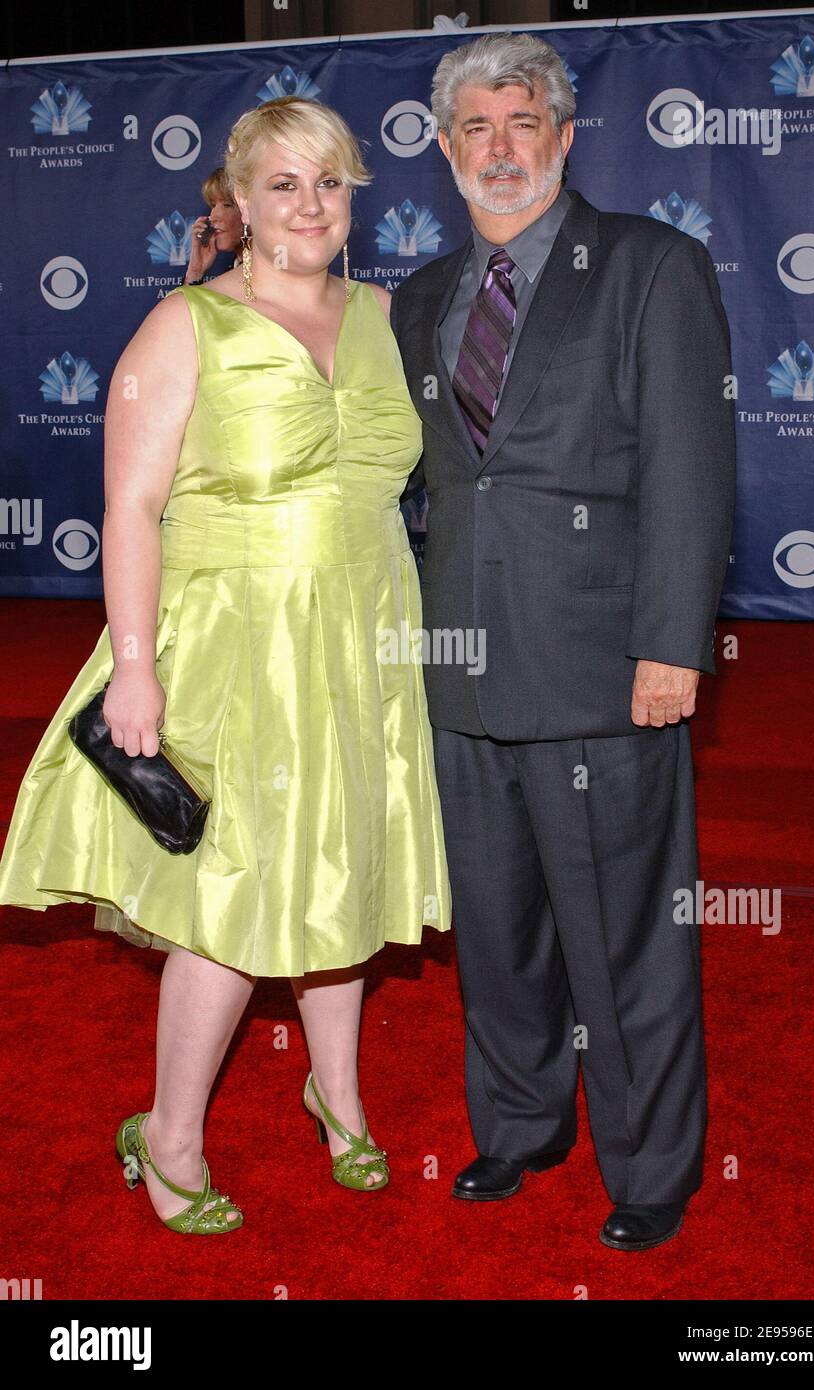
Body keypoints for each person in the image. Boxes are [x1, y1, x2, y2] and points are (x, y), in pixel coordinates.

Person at [0, 96, 451, 1232]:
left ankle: (337, 1095)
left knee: (346, 863)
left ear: (355, 199)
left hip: (364, 637)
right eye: (283, 185)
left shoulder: (389, 319)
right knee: (232, 895)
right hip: (233, 645)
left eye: (330, 182)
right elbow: (132, 508)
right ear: (238, 205)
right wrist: (137, 671)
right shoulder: (184, 326)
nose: (309, 204)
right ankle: (168, 1136)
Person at [391, 32, 736, 1251]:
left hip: (603, 667)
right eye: (472, 128)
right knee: (495, 922)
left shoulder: (652, 266)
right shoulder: (422, 296)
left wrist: (671, 646)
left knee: (622, 931)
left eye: (520, 122)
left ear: (564, 134)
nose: (498, 149)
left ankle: (648, 1165)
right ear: (442, 149)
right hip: (459, 672)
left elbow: (690, 470)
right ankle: (521, 1124)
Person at [183, 166, 244, 287]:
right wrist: (195, 272)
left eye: (227, 205)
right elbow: (186, 306)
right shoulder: (234, 269)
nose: (213, 216)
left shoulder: (274, 272)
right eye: (213, 205)